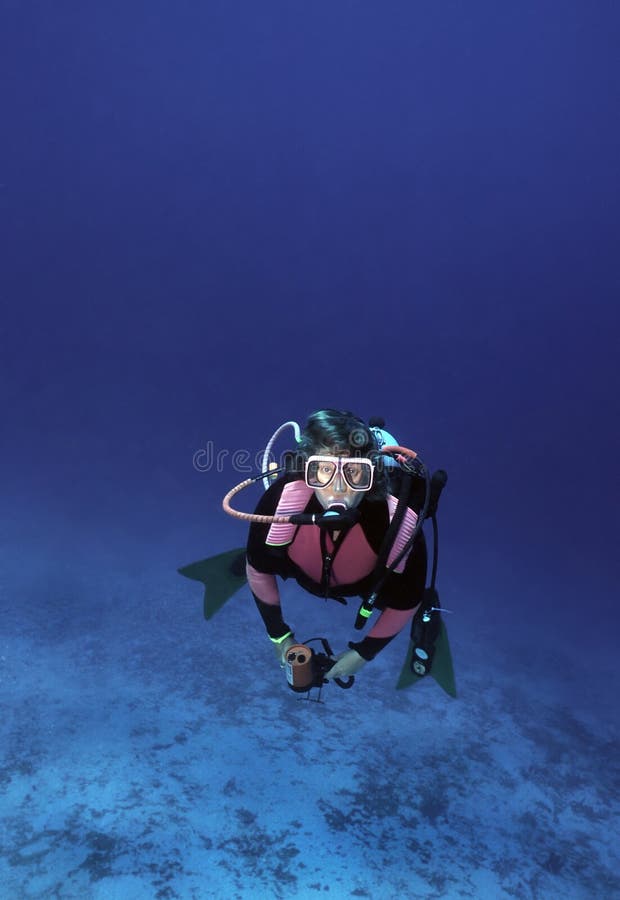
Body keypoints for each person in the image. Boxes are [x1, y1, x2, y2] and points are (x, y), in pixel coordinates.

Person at [245, 408, 428, 681]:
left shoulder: (395, 522)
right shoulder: (281, 503)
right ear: (306, 471)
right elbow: (258, 565)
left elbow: (408, 598)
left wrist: (364, 653)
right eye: (324, 471)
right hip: (302, 571)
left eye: (354, 472)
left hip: (363, 586)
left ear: (372, 476)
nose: (338, 488)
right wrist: (279, 636)